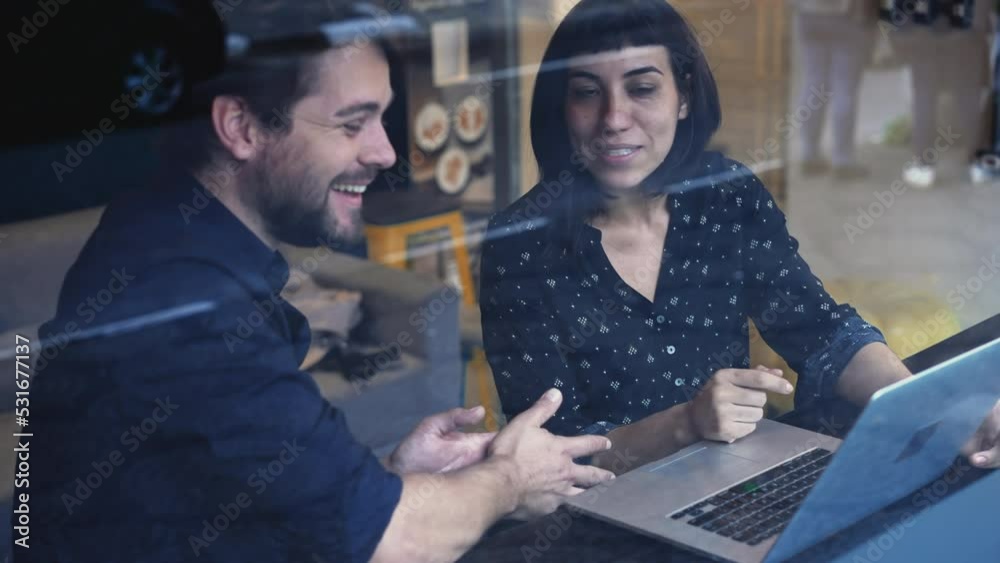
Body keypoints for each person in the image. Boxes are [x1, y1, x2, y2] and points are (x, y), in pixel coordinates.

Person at [21, 14, 615, 563]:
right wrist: (510, 479)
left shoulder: (168, 234)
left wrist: (391, 474)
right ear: (242, 127)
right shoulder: (190, 308)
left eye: (381, 119)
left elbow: (248, 502)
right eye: (352, 123)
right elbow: (393, 541)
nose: (385, 152)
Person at [480, 0, 999, 476]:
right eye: (587, 93)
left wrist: (941, 407)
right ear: (561, 107)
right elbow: (547, 458)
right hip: (599, 520)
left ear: (683, 97)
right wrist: (687, 422)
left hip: (734, 483)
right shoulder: (521, 243)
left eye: (642, 88)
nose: (614, 119)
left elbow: (822, 333)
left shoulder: (723, 196)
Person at [886, 0, 995, 188]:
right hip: (964, 36)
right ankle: (978, 165)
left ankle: (924, 166)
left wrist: (902, 36)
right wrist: (977, 28)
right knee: (968, 101)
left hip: (924, 37)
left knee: (924, 101)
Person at [792, 0, 879, 179]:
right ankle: (843, 159)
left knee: (813, 81)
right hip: (849, 16)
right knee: (844, 86)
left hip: (809, 15)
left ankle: (810, 154)